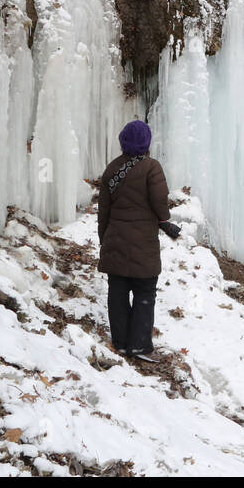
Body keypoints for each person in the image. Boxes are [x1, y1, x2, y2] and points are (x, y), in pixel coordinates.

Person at [97, 119, 173, 362]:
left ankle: (120, 341)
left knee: (117, 292)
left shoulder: (112, 169)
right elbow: (160, 201)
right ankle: (139, 345)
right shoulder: (152, 167)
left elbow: (104, 211)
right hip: (143, 244)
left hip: (115, 240)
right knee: (144, 292)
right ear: (147, 143)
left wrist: (104, 239)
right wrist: (164, 219)